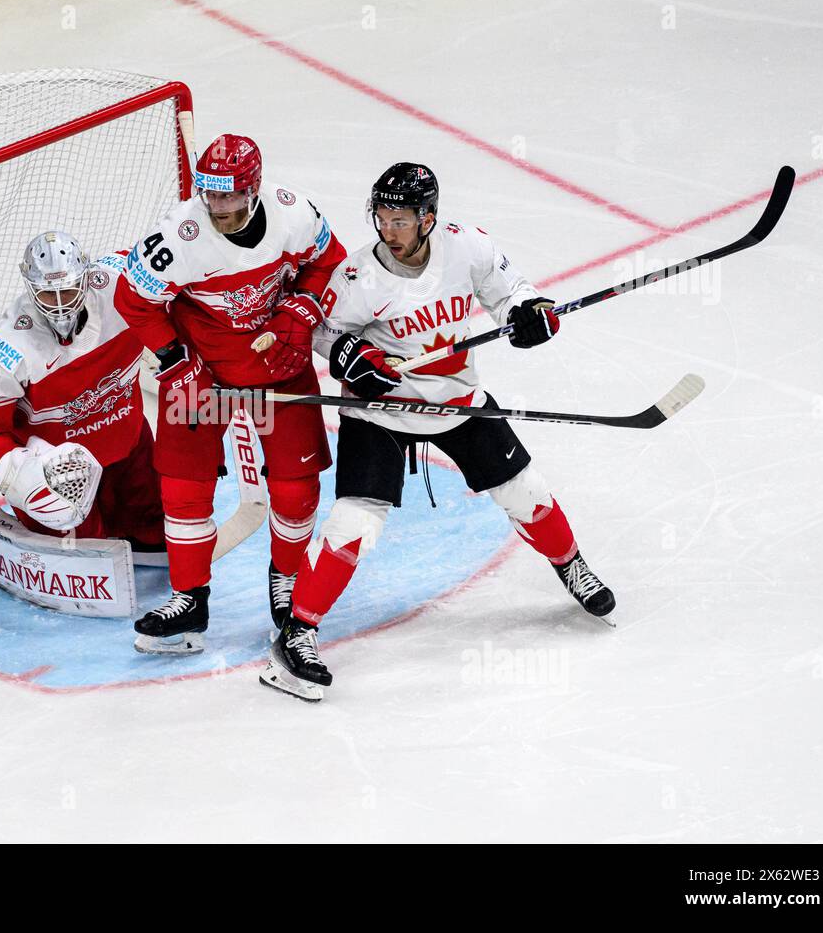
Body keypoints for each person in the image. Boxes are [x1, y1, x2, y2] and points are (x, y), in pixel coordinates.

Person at [261, 162, 615, 701]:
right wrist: (352, 356)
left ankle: (573, 567)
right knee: (354, 524)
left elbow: (512, 291)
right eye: (380, 217)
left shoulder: (466, 247)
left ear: (428, 218)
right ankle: (297, 634)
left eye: (400, 219)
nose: (387, 230)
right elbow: (326, 333)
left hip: (455, 404)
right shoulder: (359, 278)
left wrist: (532, 312)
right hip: (381, 414)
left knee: (527, 493)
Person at [113, 133, 346, 654]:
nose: (216, 205)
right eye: (208, 193)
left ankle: (285, 582)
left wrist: (299, 311)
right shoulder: (178, 236)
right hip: (201, 373)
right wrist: (174, 360)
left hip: (278, 366)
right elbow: (133, 298)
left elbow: (330, 261)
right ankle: (189, 597)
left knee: (296, 486)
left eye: (228, 194)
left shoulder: (293, 213)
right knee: (182, 485)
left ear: (253, 188)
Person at [0, 231, 164, 553]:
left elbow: (185, 260)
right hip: (62, 473)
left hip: (127, 438)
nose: (60, 305)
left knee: (156, 528)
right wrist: (22, 476)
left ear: (87, 276)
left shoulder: (122, 283)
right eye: (48, 295)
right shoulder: (6, 347)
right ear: (30, 288)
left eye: (69, 290)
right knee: (84, 554)